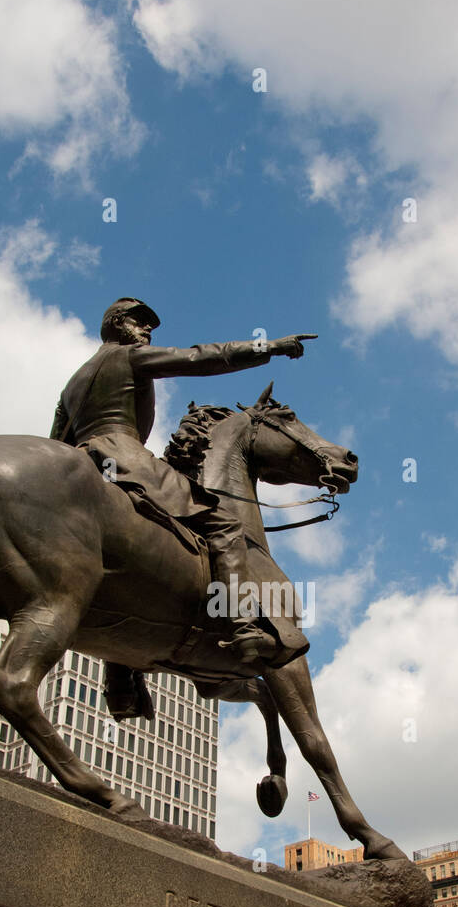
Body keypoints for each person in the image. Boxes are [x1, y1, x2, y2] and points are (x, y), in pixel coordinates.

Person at [51, 298, 315, 718]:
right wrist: (271, 347)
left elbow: (56, 444)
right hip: (125, 457)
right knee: (223, 523)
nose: (147, 332)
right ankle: (244, 627)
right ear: (117, 324)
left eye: (149, 327)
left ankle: (120, 681)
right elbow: (201, 358)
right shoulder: (128, 357)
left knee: (124, 562)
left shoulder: (72, 384)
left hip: (86, 464)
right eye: (140, 323)